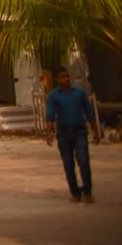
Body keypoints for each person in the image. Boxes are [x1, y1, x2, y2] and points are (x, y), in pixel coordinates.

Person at [45, 67, 99, 203]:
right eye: (62, 77)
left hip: (80, 132)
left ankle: (87, 191)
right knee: (69, 165)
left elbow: (89, 113)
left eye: (67, 76)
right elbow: (50, 115)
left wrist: (96, 131)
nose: (66, 79)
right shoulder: (53, 96)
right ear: (57, 79)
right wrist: (49, 133)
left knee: (84, 161)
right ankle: (75, 193)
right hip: (63, 134)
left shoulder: (79, 94)